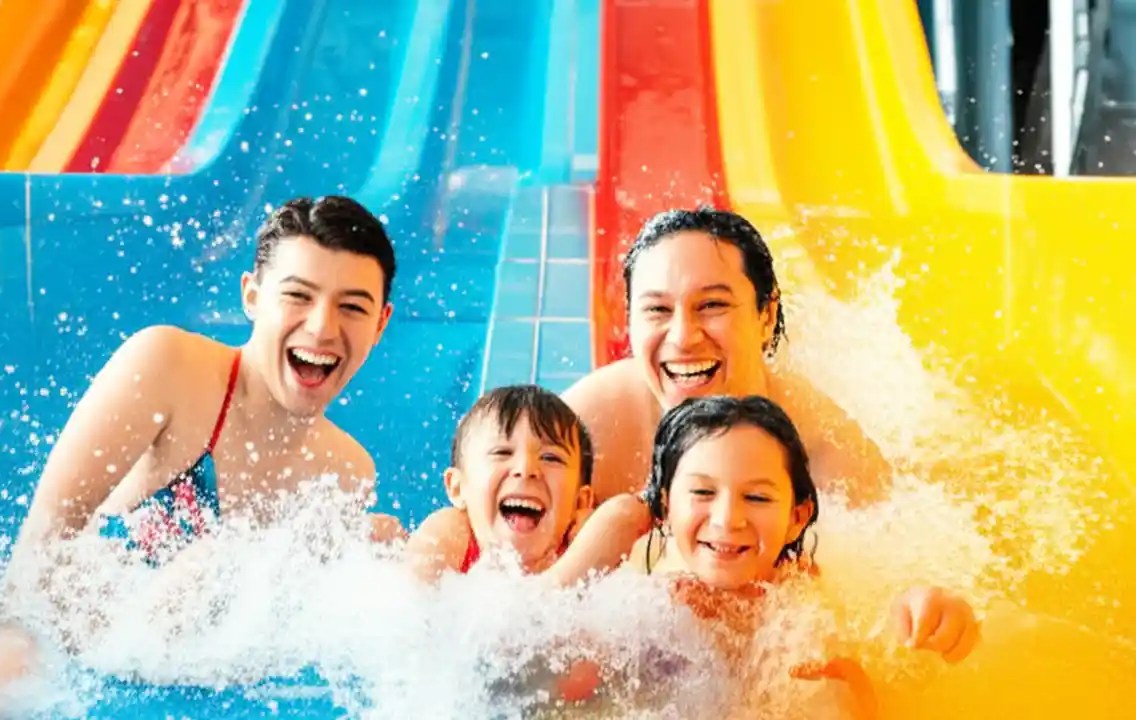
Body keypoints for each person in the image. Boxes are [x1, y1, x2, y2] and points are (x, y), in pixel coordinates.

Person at [0, 195, 404, 718]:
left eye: (352, 307)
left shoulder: (347, 471)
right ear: (252, 297)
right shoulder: (169, 366)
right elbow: (39, 549)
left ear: (380, 323)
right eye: (298, 295)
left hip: (185, 682)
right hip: (67, 640)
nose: (321, 327)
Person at [592, 395, 979, 717]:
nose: (727, 519)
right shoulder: (651, 606)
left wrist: (930, 614)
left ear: (797, 518)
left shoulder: (801, 597)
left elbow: (882, 634)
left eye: (757, 497)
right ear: (664, 506)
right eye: (702, 493)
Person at [563, 207, 893, 510]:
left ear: (766, 316)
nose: (682, 338)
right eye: (657, 309)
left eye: (712, 305)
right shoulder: (585, 434)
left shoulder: (832, 468)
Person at [405, 384, 594, 580]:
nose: (525, 469)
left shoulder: (583, 548)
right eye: (502, 452)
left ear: (580, 502)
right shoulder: (451, 535)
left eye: (550, 458)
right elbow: (415, 590)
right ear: (457, 488)